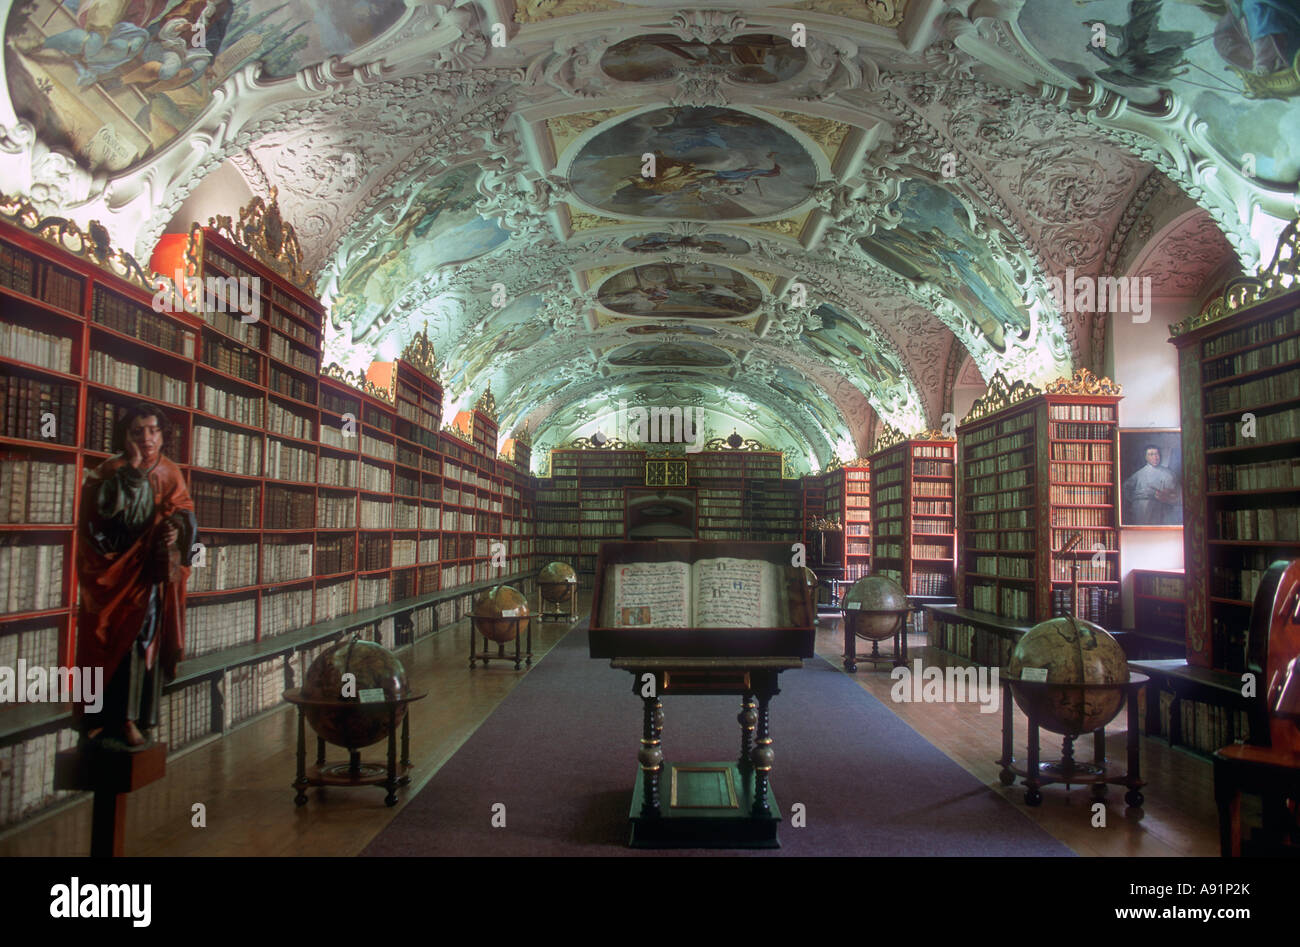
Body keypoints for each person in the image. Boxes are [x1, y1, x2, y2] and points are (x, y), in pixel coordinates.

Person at [77, 403, 197, 748]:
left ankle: (136, 717)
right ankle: (98, 717)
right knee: (109, 642)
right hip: (113, 573)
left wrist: (175, 528)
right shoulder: (108, 470)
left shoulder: (170, 472)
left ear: (163, 435)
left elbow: (185, 513)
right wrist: (129, 471)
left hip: (149, 576)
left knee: (143, 643)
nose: (146, 438)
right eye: (138, 431)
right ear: (126, 436)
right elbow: (96, 521)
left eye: (153, 431)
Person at [1122, 444, 1180, 525]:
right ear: (1146, 457)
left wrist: (1167, 495)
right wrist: (1134, 499)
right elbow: (1126, 487)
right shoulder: (1139, 473)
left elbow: (1176, 493)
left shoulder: (1168, 473)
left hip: (1162, 508)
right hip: (1142, 509)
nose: (1155, 457)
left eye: (1157, 454)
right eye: (1151, 454)